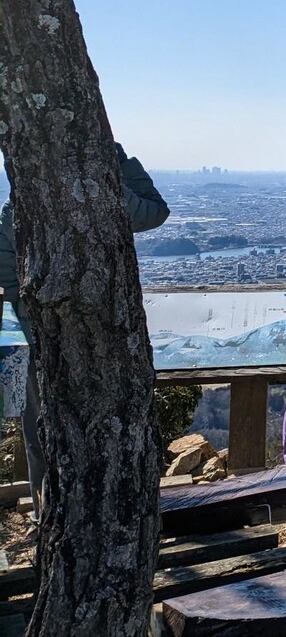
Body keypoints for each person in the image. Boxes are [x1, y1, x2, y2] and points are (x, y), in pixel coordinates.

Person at [0, 142, 170, 499]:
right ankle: (113, 505)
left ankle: (47, 509)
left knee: (42, 427)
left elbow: (6, 273)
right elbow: (155, 211)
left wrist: (28, 312)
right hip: (106, 328)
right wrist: (118, 163)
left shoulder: (20, 204)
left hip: (40, 333)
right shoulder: (105, 198)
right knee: (110, 423)